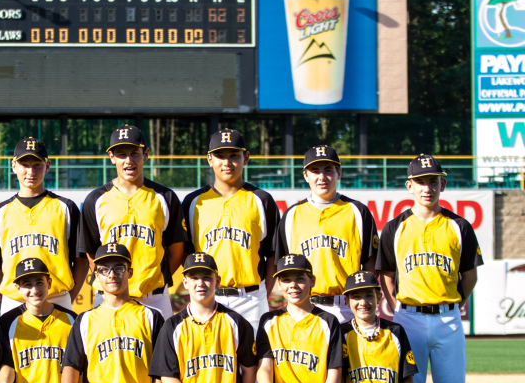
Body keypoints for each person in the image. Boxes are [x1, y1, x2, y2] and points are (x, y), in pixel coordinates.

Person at [376, 155, 482, 383]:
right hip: (409, 318)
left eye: (433, 181)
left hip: (448, 319)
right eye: (421, 182)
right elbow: (386, 274)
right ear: (409, 186)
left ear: (442, 184)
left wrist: (456, 300)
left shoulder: (459, 226)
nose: (427, 188)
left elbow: (470, 275)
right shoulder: (394, 228)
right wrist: (394, 305)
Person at [51, 243, 166, 383]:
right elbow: (71, 364)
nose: (112, 275)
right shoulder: (85, 320)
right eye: (104, 270)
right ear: (96, 276)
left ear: (129, 272)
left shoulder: (151, 316)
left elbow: (161, 372)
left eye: (119, 268)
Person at [79, 125, 187, 319]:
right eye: (121, 154)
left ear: (145, 154)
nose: (128, 160)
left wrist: (154, 279)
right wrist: (110, 281)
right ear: (111, 157)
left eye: (134, 153)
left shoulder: (165, 197)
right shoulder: (95, 199)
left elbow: (176, 250)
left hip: (154, 298)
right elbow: (91, 250)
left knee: (160, 350)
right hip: (109, 297)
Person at [182, 128, 280, 332]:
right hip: (208, 297)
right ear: (209, 159)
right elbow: (185, 252)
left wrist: (262, 292)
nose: (227, 163)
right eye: (220, 156)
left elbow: (272, 255)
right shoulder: (193, 202)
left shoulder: (261, 200)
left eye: (234, 155)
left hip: (251, 298)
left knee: (253, 362)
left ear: (246, 158)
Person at [150, 252, 258, 383]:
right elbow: (167, 378)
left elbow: (249, 370)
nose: (200, 283)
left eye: (207, 278)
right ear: (185, 282)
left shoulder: (236, 322)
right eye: (194, 277)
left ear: (217, 281)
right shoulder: (173, 326)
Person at [275, 146, 378, 322]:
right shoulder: (291, 215)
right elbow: (282, 265)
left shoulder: (358, 211)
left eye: (328, 170)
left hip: (346, 306)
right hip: (303, 305)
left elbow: (370, 263)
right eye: (315, 171)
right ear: (306, 175)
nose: (322, 177)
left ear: (339, 173)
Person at [0, 137, 87, 314]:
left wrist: (67, 298)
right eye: (24, 164)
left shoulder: (66, 208)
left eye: (37, 164)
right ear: (14, 166)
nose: (30, 171)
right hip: (15, 300)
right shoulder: (0, 212)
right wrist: (8, 296)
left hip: (57, 297)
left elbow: (80, 260)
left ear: (47, 166)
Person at [249, 254, 342, 383]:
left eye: (300, 279)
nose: (293, 285)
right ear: (279, 284)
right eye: (286, 280)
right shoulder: (269, 320)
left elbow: (334, 373)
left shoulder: (328, 321)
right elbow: (265, 367)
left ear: (312, 281)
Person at [0, 258, 77, 383]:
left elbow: (79, 367)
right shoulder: (8, 321)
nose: (34, 290)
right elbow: (7, 364)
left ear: (49, 283)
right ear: (18, 288)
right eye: (27, 284)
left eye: (39, 283)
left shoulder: (71, 319)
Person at [329, 271, 417, 383]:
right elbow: (338, 375)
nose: (363, 302)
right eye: (356, 297)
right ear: (347, 301)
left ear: (379, 296)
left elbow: (407, 379)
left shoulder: (395, 332)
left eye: (369, 295)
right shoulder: (341, 332)